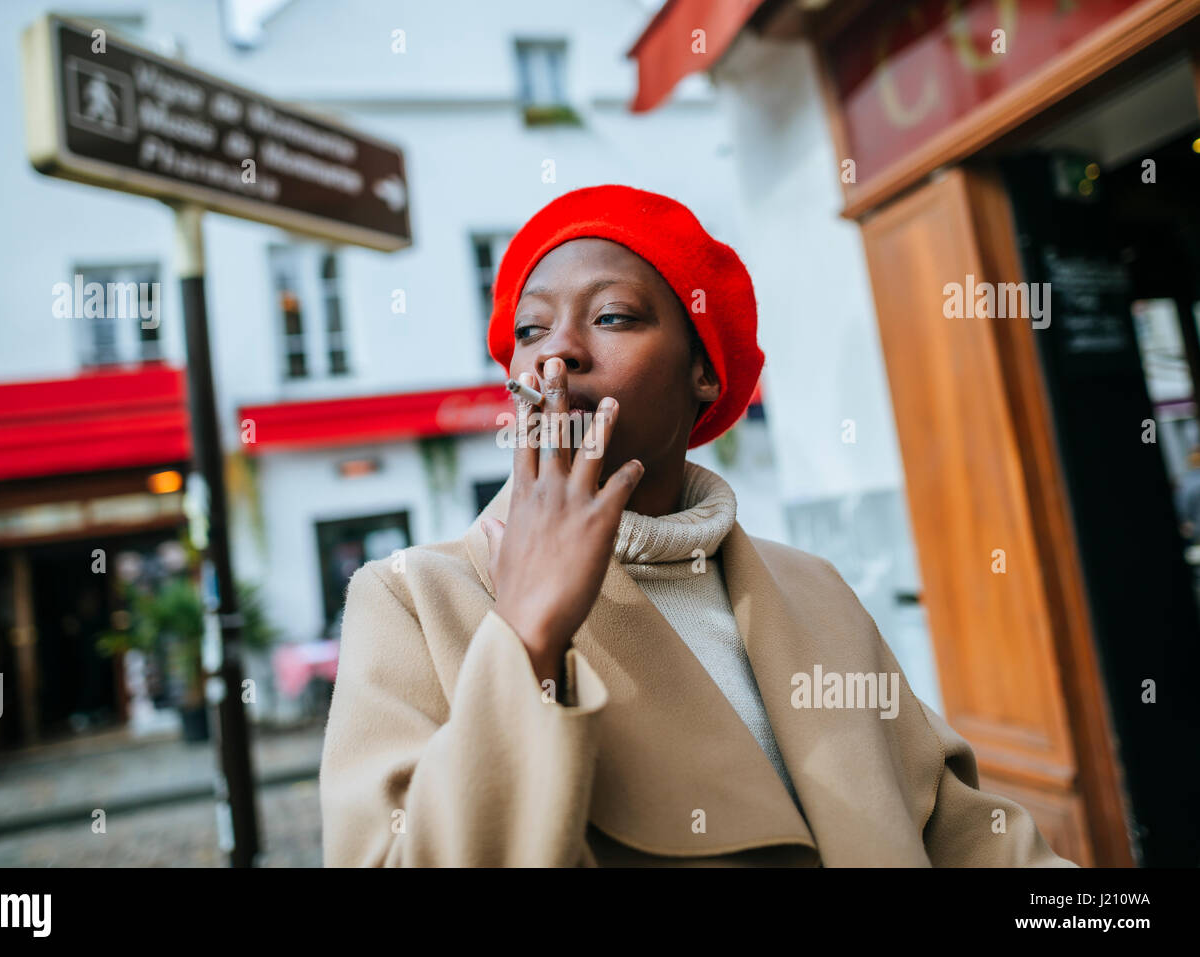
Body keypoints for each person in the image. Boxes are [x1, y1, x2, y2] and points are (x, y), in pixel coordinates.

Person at [319, 184, 1076, 867]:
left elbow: (967, 837)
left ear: (704, 371)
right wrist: (524, 632)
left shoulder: (811, 588)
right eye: (530, 329)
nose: (559, 350)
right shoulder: (413, 600)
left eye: (612, 315)